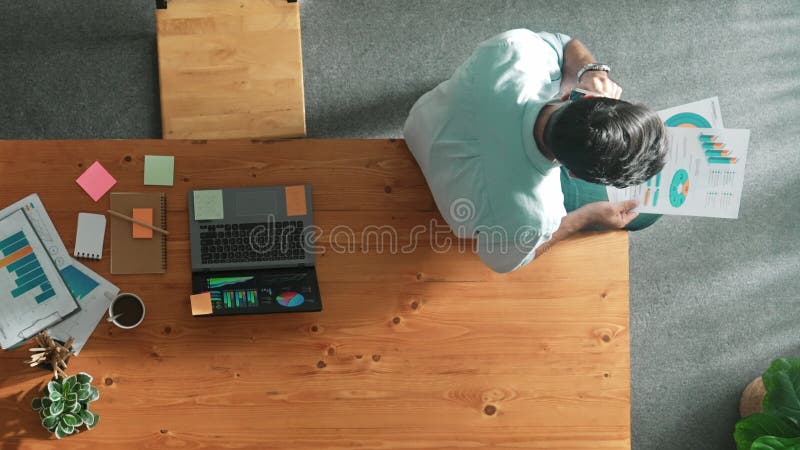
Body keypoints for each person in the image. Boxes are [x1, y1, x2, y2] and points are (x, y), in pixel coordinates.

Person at [403, 29, 669, 273]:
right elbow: (498, 261)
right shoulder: (538, 218)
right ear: (573, 175)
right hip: (456, 195)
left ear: (583, 96)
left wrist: (592, 71)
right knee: (648, 213)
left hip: (420, 122)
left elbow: (566, 45)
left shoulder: (513, 52)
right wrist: (585, 218)